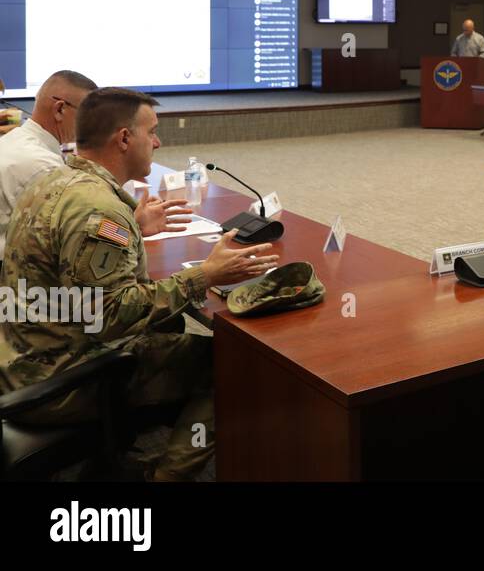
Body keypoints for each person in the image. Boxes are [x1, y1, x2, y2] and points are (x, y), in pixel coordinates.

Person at [0, 88, 279, 480]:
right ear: (124, 138)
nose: (158, 141)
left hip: (21, 351)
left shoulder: (55, 180)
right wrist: (206, 275)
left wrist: (133, 224)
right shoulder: (99, 210)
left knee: (172, 325)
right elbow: (113, 314)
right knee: (231, 364)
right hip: (58, 380)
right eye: (152, 131)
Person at [0, 70, 189, 258]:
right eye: (86, 113)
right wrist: (134, 225)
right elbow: (82, 237)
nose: (93, 122)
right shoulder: (42, 165)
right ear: (59, 109)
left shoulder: (18, 141)